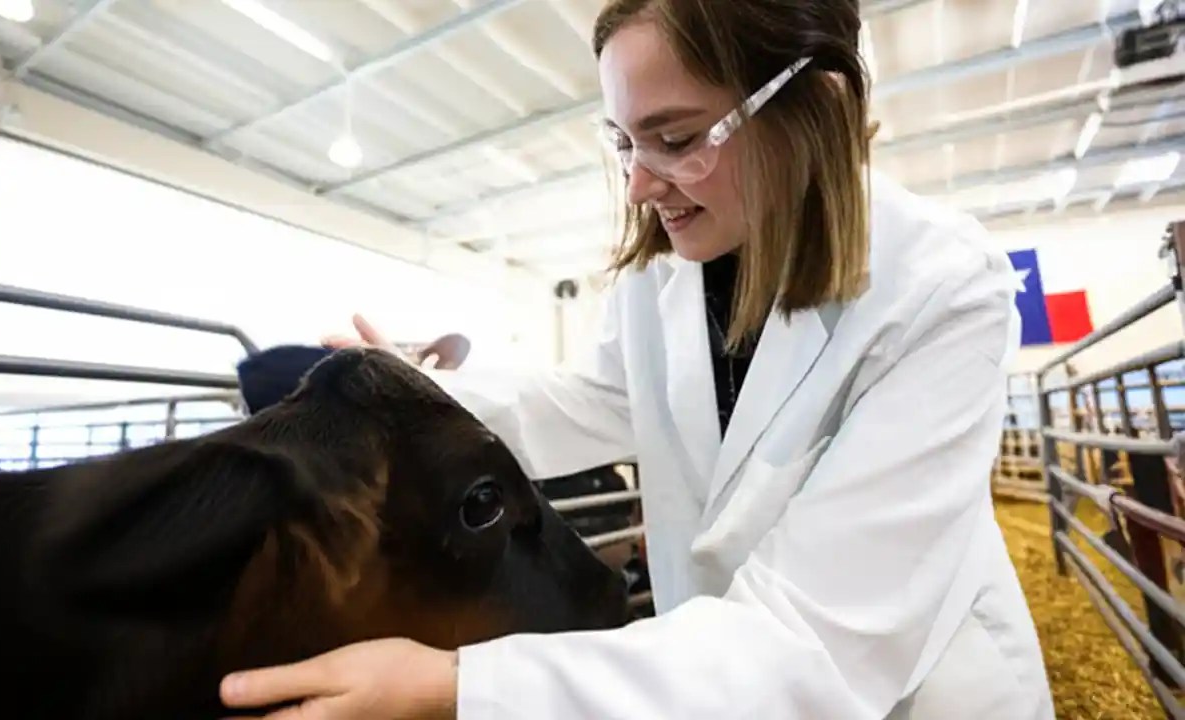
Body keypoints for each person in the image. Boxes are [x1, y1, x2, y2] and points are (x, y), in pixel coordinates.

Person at [218, 0, 1054, 718]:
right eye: (623, 141)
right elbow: (589, 401)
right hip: (706, 685)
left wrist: (459, 686)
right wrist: (417, 394)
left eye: (678, 137)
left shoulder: (943, 291)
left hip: (909, 692)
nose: (639, 186)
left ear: (815, 103)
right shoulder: (666, 277)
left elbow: (819, 642)